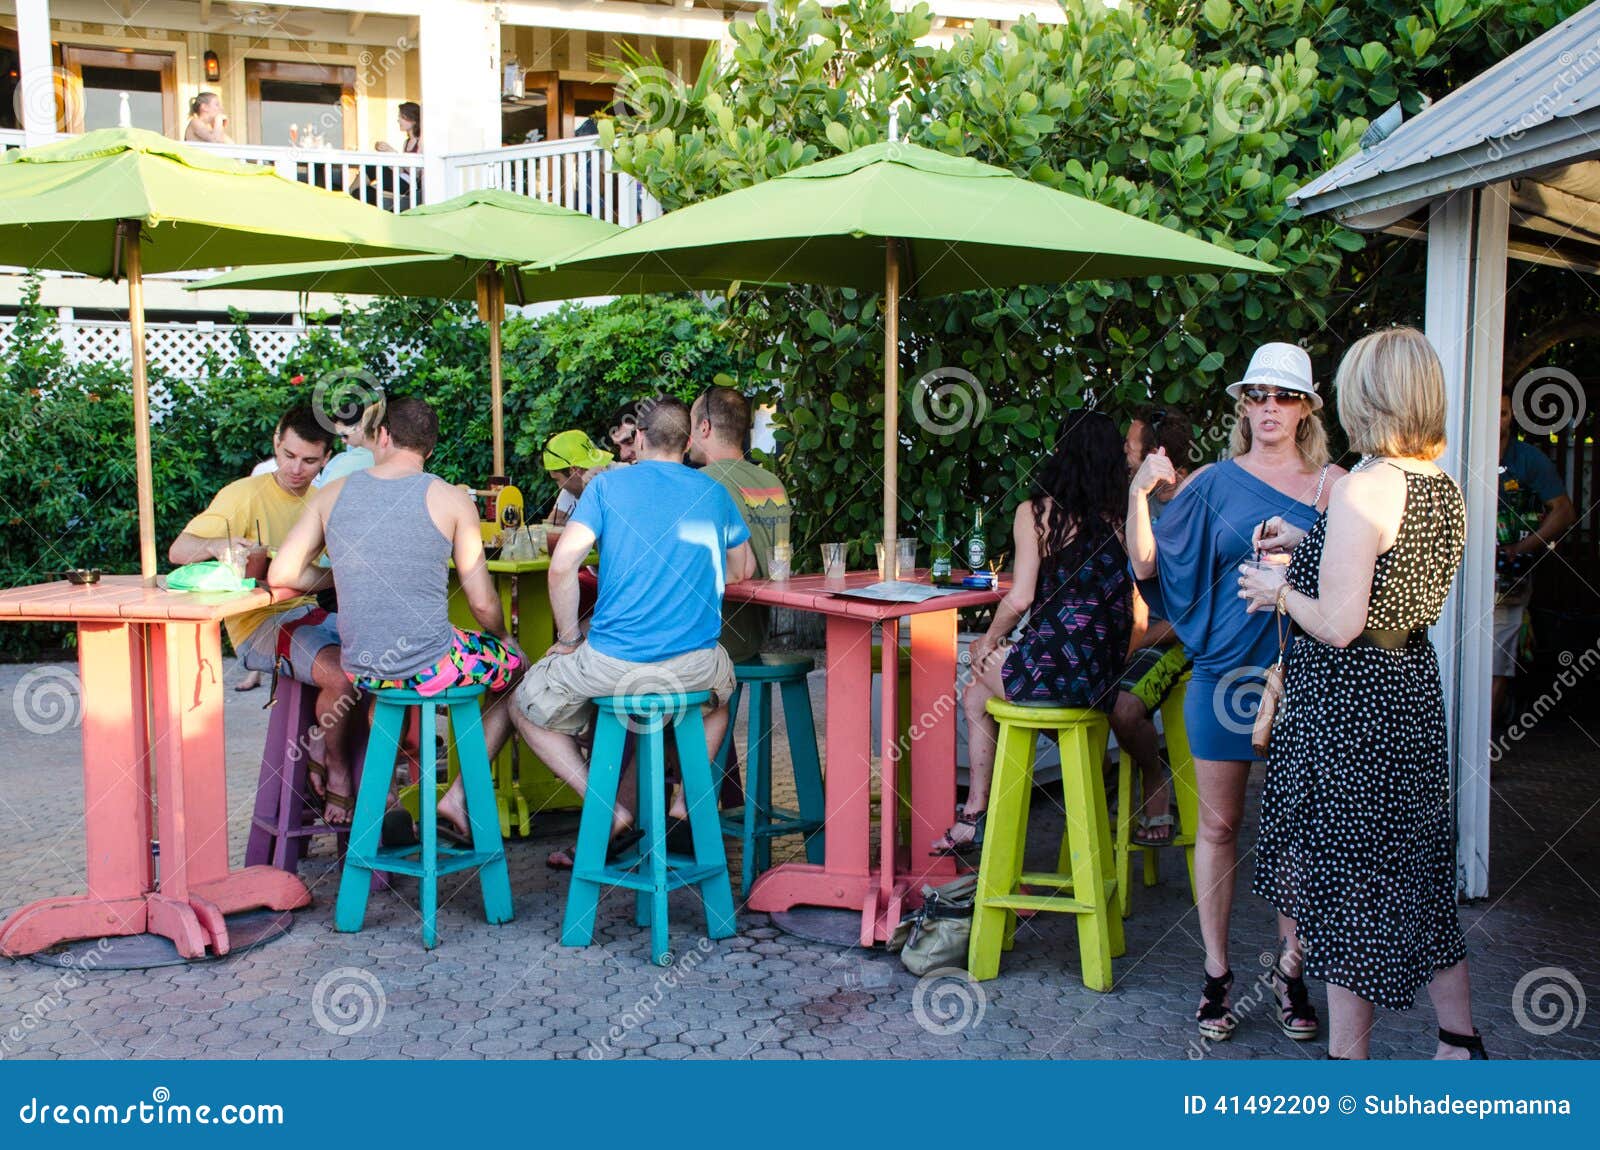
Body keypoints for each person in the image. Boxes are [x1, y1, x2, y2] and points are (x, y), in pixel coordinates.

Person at [1241, 327, 1485, 1060]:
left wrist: (1281, 588)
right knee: (1416, 878)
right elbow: (1379, 568)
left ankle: (1349, 1077)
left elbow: (1340, 624)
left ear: (1366, 396)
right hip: (1408, 692)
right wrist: (1314, 533)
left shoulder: (1363, 488)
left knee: (1349, 895)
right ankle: (1457, 1044)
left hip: (1350, 714)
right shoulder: (1438, 484)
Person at [1127, 341, 1344, 1044]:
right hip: (1224, 675)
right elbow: (1149, 561)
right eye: (1257, 395)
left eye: (1284, 396)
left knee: (1294, 837)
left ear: (1308, 406)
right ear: (1242, 404)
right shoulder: (1214, 482)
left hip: (1303, 679)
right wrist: (1139, 493)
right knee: (1218, 828)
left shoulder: (1334, 485)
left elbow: (1357, 584)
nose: (1269, 408)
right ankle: (1217, 974)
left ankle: (1291, 972)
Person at [515, 396, 755, 866]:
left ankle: (607, 811)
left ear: (639, 439)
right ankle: (685, 806)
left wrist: (567, 640)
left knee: (525, 705)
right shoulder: (712, 492)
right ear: (688, 443)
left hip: (613, 667)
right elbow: (742, 568)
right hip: (693, 668)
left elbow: (562, 566)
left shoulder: (607, 490)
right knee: (718, 703)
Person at [270, 398, 523, 843]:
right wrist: (503, 636)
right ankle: (456, 798)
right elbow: (482, 603)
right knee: (517, 673)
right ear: (430, 448)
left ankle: (386, 796)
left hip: (361, 667)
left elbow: (283, 574)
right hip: (425, 665)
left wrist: (341, 571)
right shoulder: (451, 498)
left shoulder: (333, 493)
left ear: (383, 436)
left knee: (403, 679)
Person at [935, 409, 1133, 854]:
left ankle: (977, 816)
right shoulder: (1122, 521)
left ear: (1061, 455)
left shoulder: (1037, 514)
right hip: (1102, 680)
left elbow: (1021, 597)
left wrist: (985, 643)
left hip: (1053, 674)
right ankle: (980, 808)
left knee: (975, 672)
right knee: (975, 696)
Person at [169, 403, 360, 820]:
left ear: (327, 459)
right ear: (276, 442)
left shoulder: (322, 500)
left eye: (309, 461)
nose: (296, 469)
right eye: (288, 455)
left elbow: (335, 574)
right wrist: (217, 546)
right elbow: (178, 551)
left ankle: (329, 748)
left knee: (384, 664)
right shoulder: (243, 494)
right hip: (258, 624)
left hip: (308, 615)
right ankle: (339, 773)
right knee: (343, 676)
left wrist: (310, 577)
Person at [1115, 406, 1196, 846]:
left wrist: (1134, 642)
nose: (1125, 456)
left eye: (1131, 448)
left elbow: (1193, 619)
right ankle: (1097, 781)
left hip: (1180, 640)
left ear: (1157, 456)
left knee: (1123, 707)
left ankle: (1154, 781)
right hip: (1139, 633)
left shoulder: (1199, 506)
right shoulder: (1140, 499)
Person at [687, 386, 792, 663]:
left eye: (691, 426)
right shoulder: (773, 483)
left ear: (705, 427)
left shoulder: (701, 483)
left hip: (711, 639)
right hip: (756, 634)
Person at [1492, 391, 1576, 725]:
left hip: (1508, 577)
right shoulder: (1453, 451)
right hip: (1456, 573)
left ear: (1511, 416)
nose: (1496, 419)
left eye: (1502, 412)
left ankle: (1481, 750)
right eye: (1490, 411)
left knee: (1495, 662)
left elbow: (1564, 511)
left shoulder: (1528, 459)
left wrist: (1520, 549)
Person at [542, 429, 614, 527]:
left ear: (574, 470)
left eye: (557, 480)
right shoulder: (572, 489)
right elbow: (552, 525)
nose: (559, 487)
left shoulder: (619, 476)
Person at [314, 394, 383, 488]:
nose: (343, 441)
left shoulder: (344, 461)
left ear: (360, 427)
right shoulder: (388, 453)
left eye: (344, 435)